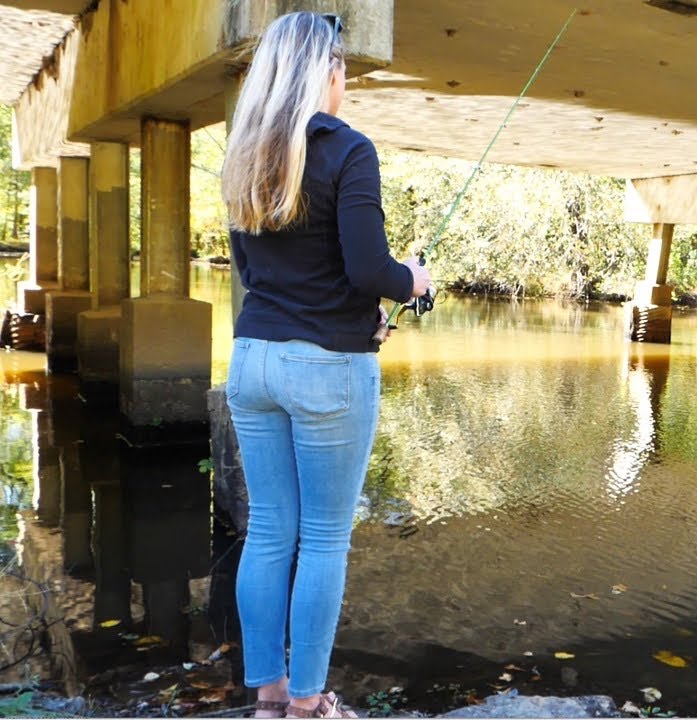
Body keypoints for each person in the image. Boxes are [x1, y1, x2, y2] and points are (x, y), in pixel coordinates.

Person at [220, 11, 431, 719]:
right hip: (326, 372)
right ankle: (309, 706)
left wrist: (355, 304)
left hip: (251, 362)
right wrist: (414, 283)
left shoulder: (245, 148)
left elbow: (253, 268)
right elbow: (371, 266)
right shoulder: (348, 149)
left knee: (271, 532)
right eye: (341, 67)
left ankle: (269, 698)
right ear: (326, 72)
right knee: (323, 542)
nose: (344, 80)